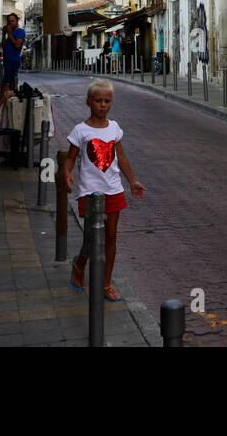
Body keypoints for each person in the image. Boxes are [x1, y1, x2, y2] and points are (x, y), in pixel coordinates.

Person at [63, 79, 147, 300]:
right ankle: (80, 264)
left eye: (107, 101)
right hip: (90, 192)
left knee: (110, 236)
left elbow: (121, 156)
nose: (103, 105)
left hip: (113, 189)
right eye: (98, 101)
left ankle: (105, 284)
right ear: (88, 102)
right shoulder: (80, 131)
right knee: (92, 237)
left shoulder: (114, 128)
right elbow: (71, 158)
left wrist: (132, 181)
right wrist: (66, 172)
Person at [0, 13, 25, 120]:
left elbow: (17, 45)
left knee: (4, 87)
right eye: (9, 21)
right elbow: (3, 46)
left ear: (17, 21)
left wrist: (10, 34)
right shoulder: (9, 34)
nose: (11, 23)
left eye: (13, 21)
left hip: (13, 62)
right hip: (7, 62)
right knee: (11, 89)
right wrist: (4, 34)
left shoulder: (20, 32)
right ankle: (9, 112)